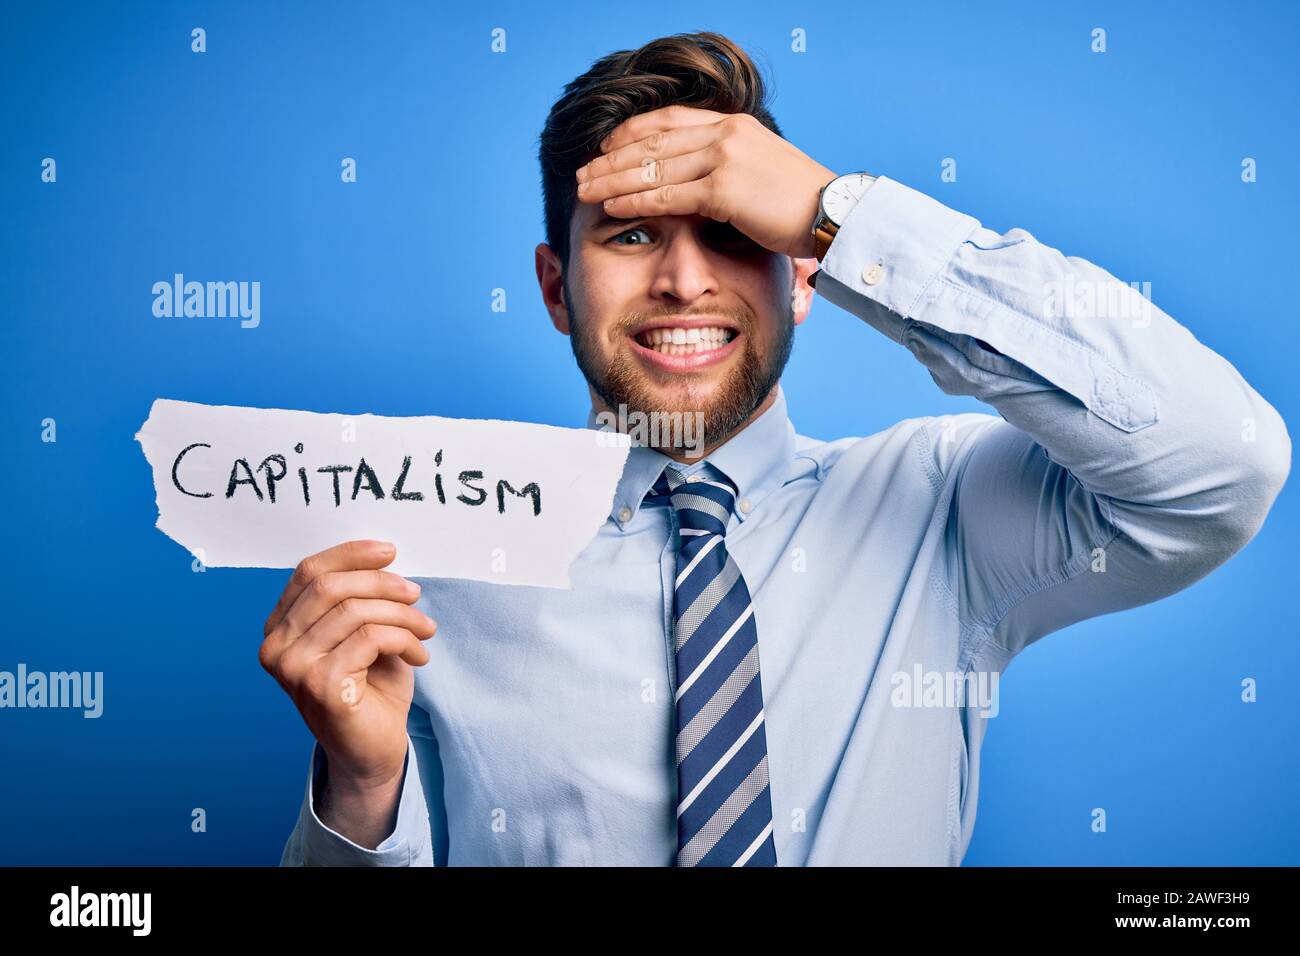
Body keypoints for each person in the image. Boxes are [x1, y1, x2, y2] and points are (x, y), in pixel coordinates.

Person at [264, 32, 1289, 866]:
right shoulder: (434, 564)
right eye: (628, 235)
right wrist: (358, 795)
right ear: (551, 287)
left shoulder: (944, 511)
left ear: (803, 275)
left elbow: (1226, 460)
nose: (682, 281)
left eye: (730, 232)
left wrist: (839, 214)